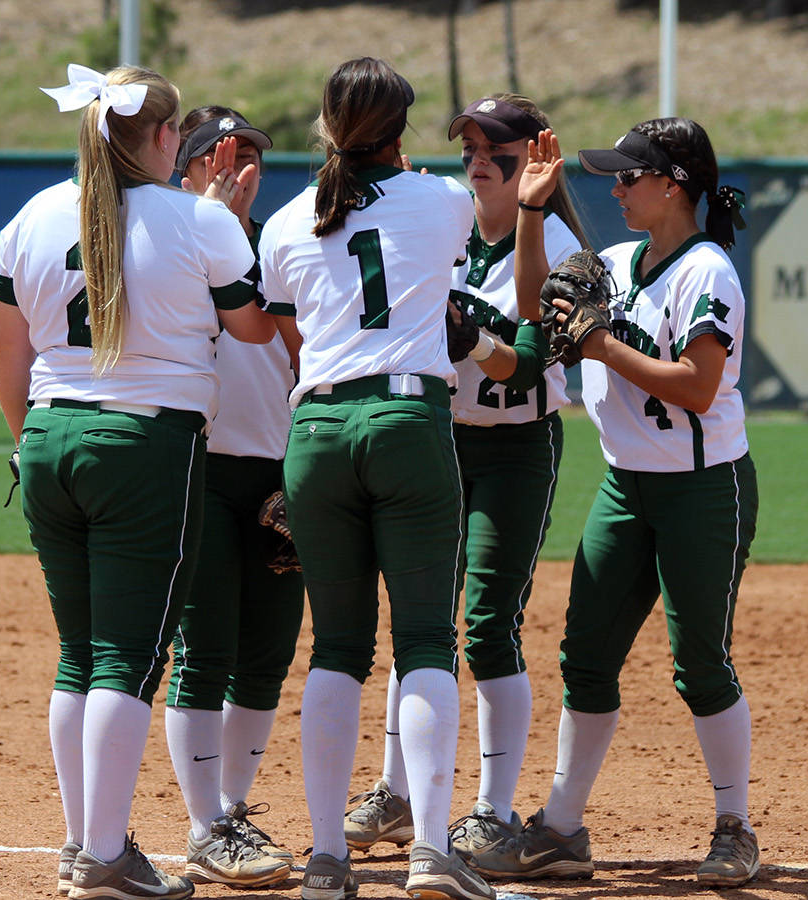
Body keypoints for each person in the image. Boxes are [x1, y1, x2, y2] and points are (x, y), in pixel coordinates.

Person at [0, 63, 275, 900]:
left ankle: (86, 844)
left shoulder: (34, 213)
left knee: (78, 655)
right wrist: (225, 225)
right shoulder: (197, 219)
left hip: (47, 437)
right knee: (124, 658)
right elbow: (254, 330)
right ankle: (105, 856)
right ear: (164, 138)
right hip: (145, 446)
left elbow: (9, 352)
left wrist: (28, 441)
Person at [468, 119, 761, 888]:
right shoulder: (620, 261)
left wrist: (602, 347)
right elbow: (538, 306)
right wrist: (532, 214)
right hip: (626, 485)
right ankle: (562, 828)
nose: (616, 187)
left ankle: (734, 825)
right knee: (586, 659)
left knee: (700, 664)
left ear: (673, 185)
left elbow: (698, 388)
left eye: (630, 177)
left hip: (704, 489)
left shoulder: (709, 271)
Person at [255, 57, 495, 900]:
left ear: (326, 126)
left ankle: (327, 859)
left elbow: (286, 319)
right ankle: (431, 850)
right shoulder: (445, 200)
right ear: (399, 130)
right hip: (405, 420)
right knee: (426, 640)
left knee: (337, 649)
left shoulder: (285, 221)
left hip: (315, 428)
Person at [343, 94, 588, 866]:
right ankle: (398, 791)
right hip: (439, 440)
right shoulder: (442, 229)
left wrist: (531, 218)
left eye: (498, 152)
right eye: (471, 150)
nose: (479, 162)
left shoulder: (564, 248)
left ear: (535, 160)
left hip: (517, 451)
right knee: (421, 616)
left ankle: (490, 808)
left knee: (486, 624)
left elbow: (532, 327)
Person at [159, 104, 297, 889]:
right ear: (193, 160)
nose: (242, 167)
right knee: (204, 651)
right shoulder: (172, 238)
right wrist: (212, 222)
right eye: (228, 151)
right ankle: (206, 823)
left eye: (252, 155)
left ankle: (233, 814)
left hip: (280, 470)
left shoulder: (277, 243)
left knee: (267, 655)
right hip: (202, 468)